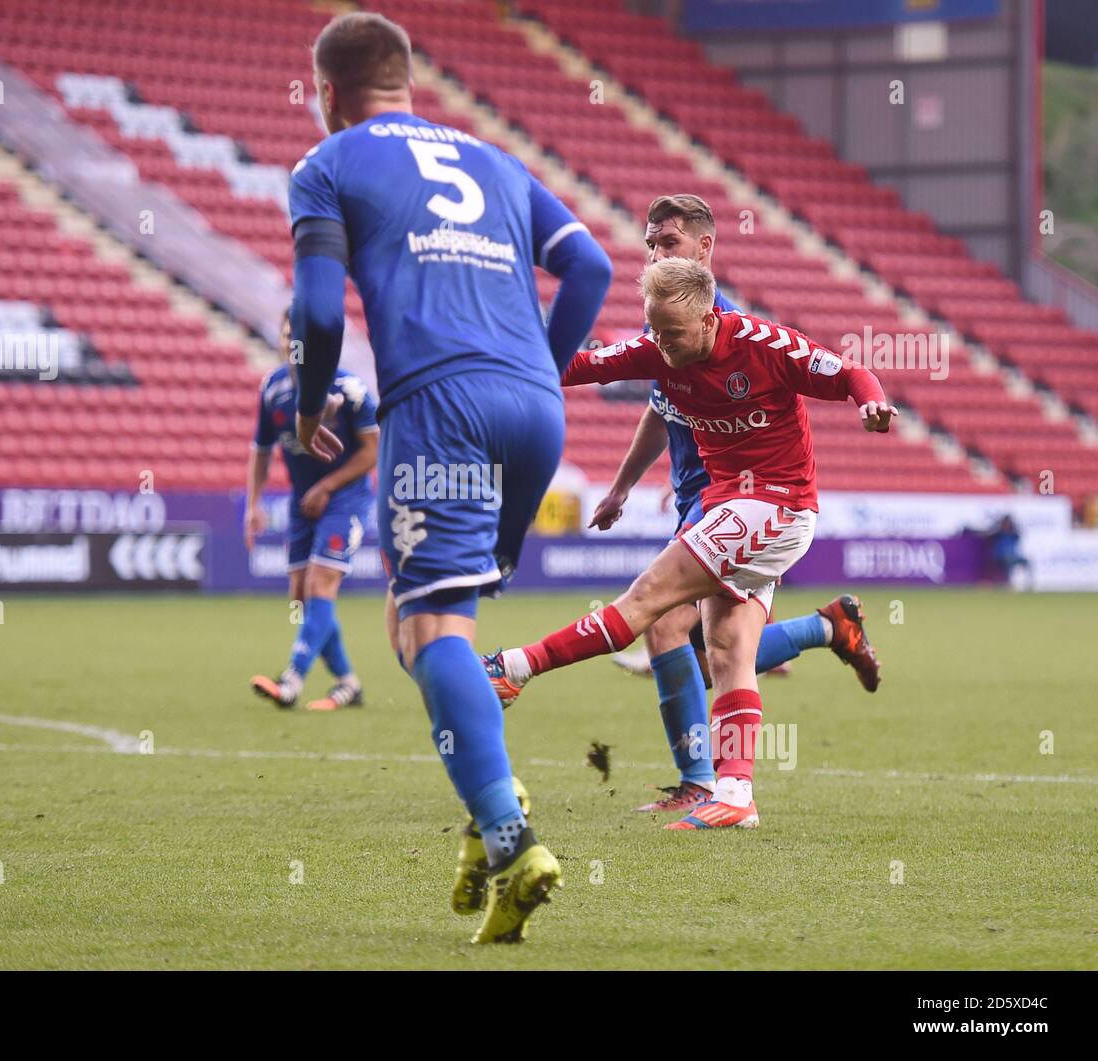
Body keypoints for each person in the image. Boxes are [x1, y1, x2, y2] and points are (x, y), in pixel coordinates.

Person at [288, 12, 611, 941]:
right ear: (409, 84)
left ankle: (513, 841)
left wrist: (311, 407)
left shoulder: (332, 163)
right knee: (424, 621)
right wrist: (543, 373)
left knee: (427, 628)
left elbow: (316, 313)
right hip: (535, 413)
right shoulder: (493, 159)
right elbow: (587, 265)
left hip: (441, 408)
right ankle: (482, 820)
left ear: (327, 94)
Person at [485, 257, 896, 830]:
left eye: (674, 332)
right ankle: (734, 795)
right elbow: (579, 365)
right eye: (654, 328)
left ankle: (514, 666)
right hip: (736, 508)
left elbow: (848, 372)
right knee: (727, 650)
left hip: (776, 504)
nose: (662, 344)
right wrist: (512, 358)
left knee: (650, 598)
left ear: (709, 318)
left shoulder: (764, 343)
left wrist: (871, 403)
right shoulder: (658, 348)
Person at [591, 195, 880, 813]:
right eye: (649, 245)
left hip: (740, 500)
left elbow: (834, 375)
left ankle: (702, 781)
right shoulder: (663, 329)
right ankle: (827, 627)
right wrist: (621, 486)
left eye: (667, 243)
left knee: (670, 628)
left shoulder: (730, 332)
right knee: (715, 645)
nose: (654, 255)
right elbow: (658, 402)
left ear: (704, 249)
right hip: (701, 497)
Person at [247, 310, 378, 711]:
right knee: (302, 597)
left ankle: (292, 679)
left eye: (298, 335)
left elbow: (373, 451)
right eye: (287, 334)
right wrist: (253, 504)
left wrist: (327, 486)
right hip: (303, 502)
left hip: (345, 499)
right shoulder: (272, 389)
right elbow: (262, 450)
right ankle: (348, 683)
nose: (291, 342)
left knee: (321, 585)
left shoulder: (350, 390)